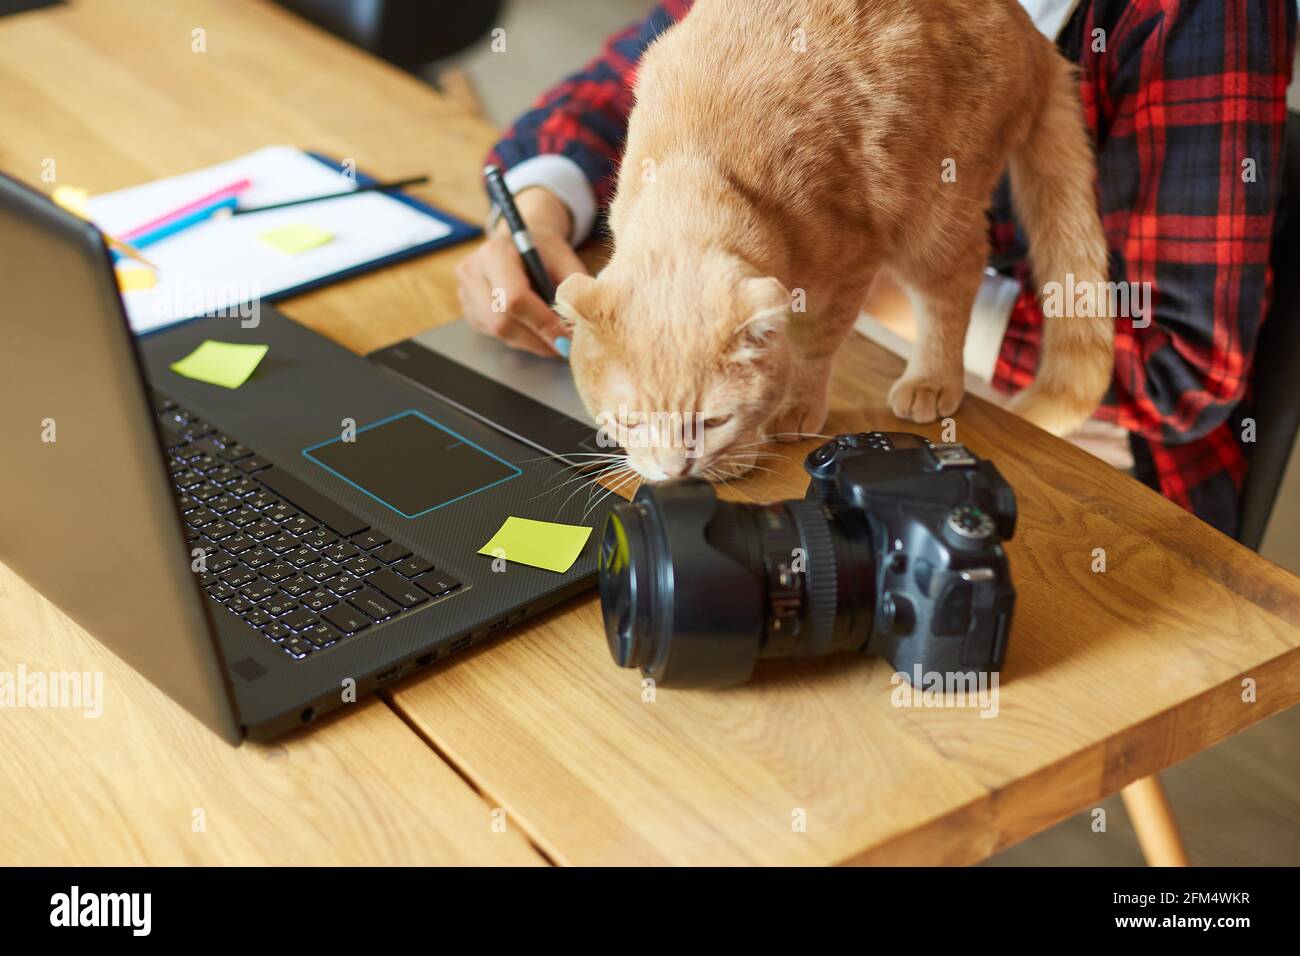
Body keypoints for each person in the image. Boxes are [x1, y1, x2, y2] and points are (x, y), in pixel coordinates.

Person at [455, 0, 1296, 536]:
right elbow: (634, 75)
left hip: (1096, 452)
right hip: (784, 361)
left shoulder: (1200, 13)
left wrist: (853, 281)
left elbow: (1184, 369)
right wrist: (536, 208)